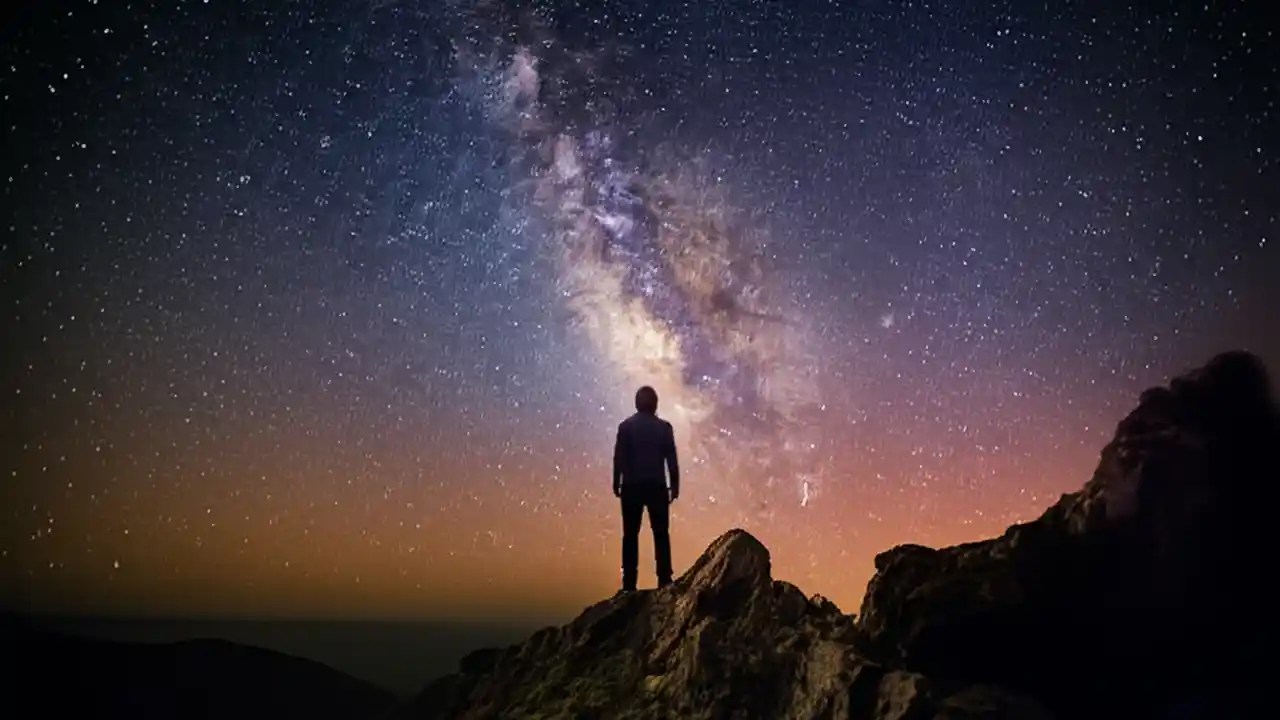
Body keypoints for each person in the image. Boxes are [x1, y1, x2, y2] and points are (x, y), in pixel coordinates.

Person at [613, 385, 679, 592]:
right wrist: (675, 485)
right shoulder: (664, 428)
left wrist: (616, 481)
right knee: (661, 533)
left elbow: (619, 458)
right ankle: (665, 578)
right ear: (655, 404)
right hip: (657, 486)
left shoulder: (625, 427)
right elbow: (672, 460)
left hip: (631, 486)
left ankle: (629, 583)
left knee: (630, 535)